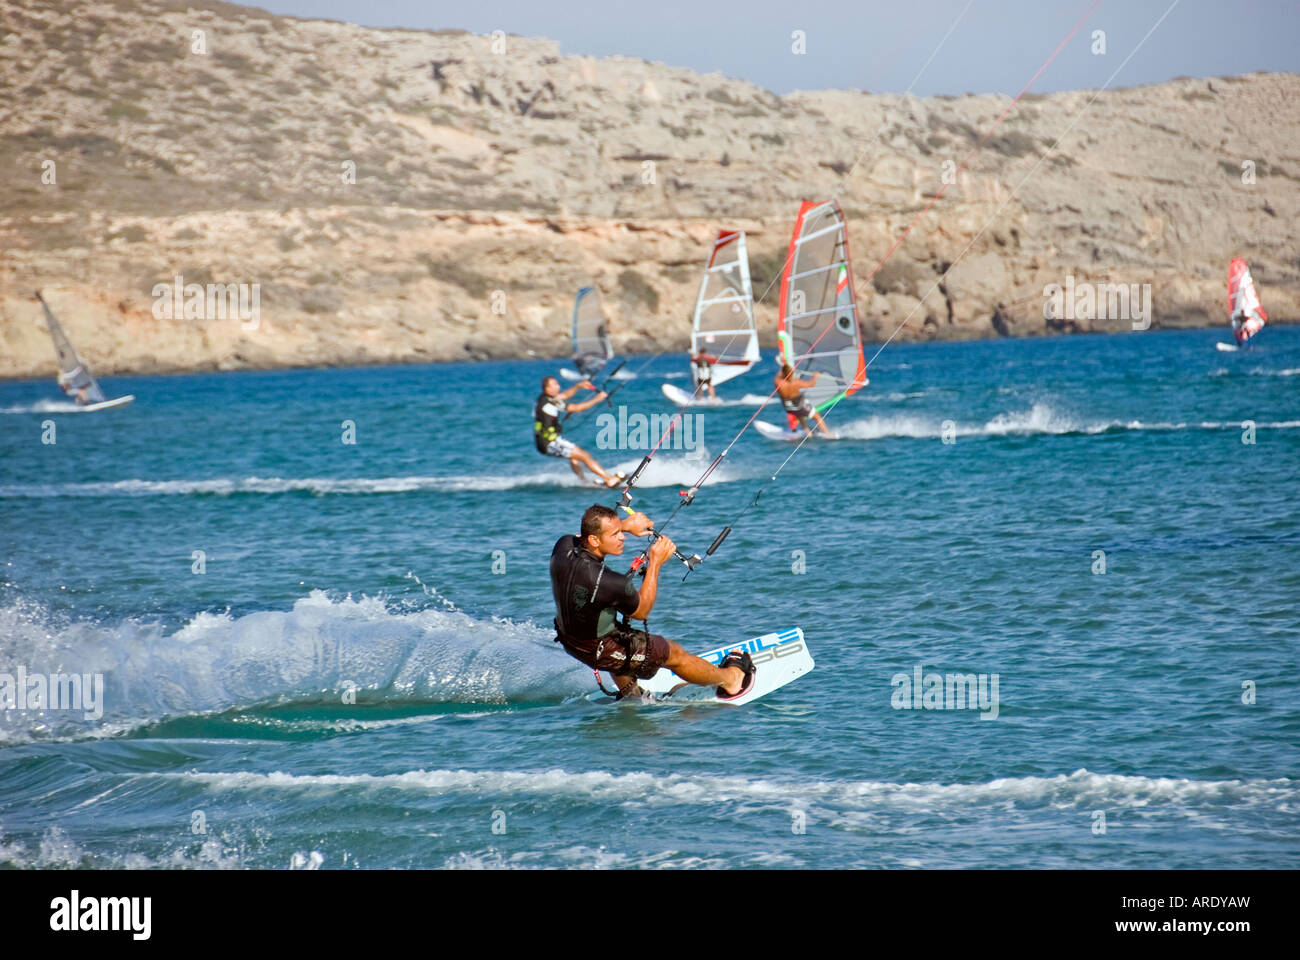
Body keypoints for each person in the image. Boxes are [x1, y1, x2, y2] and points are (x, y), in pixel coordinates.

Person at [550, 504, 755, 700]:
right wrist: (655, 562)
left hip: (570, 638)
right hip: (599, 649)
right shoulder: (608, 581)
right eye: (615, 535)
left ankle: (632, 697)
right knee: (671, 653)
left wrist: (625, 524)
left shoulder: (563, 547)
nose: (622, 537)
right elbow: (641, 612)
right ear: (594, 540)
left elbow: (583, 535)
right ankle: (732, 680)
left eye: (620, 532)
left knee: (616, 631)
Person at [534, 376, 626, 487]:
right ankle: (609, 479)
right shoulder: (550, 403)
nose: (558, 387)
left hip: (545, 441)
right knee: (584, 455)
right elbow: (576, 408)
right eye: (554, 385)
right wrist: (597, 399)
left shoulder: (543, 398)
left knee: (574, 457)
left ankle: (584, 482)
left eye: (557, 384)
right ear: (547, 388)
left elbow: (565, 395)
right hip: (549, 442)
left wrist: (578, 386)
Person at [774, 362, 835, 438]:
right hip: (798, 404)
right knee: (817, 416)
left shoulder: (778, 382)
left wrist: (783, 367)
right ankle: (828, 434)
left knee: (799, 414)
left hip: (788, 407)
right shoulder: (796, 382)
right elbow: (811, 384)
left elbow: (778, 375)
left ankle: (807, 432)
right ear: (792, 373)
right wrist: (815, 376)